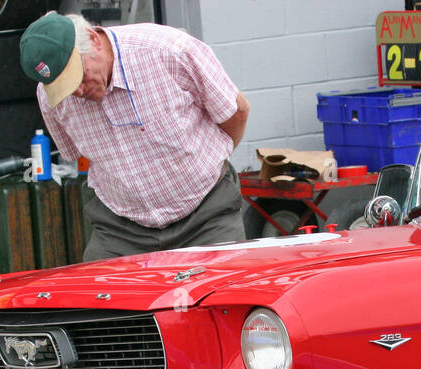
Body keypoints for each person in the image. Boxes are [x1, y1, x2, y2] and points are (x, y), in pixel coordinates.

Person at [19, 12, 250, 260]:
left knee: (222, 294)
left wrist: (207, 164)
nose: (78, 91)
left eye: (78, 76)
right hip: (120, 229)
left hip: (206, 215)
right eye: (64, 87)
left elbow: (236, 111)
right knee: (96, 297)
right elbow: (74, 154)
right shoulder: (50, 99)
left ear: (93, 39)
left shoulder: (168, 51)